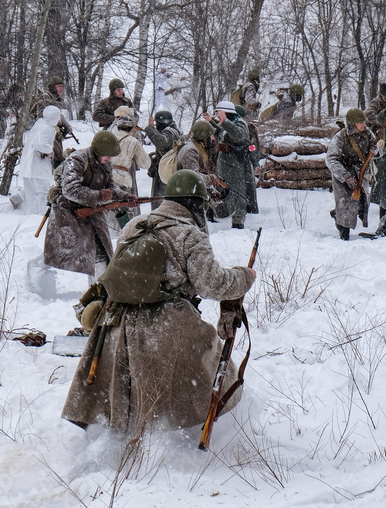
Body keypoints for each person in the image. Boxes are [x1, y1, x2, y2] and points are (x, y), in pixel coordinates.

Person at [61, 169, 256, 432]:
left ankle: (116, 429)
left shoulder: (134, 225)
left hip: (118, 323)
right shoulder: (190, 235)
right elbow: (213, 284)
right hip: (168, 325)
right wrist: (244, 276)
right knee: (207, 369)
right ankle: (177, 435)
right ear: (195, 202)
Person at [43, 130, 128, 280]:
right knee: (64, 254)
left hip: (93, 215)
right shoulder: (77, 159)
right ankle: (41, 280)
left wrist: (123, 196)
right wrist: (98, 196)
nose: (109, 159)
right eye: (106, 155)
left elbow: (110, 186)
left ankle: (97, 293)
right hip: (69, 215)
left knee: (100, 256)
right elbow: (70, 190)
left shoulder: (105, 163)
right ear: (98, 151)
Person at [205, 101, 258, 229]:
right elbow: (221, 132)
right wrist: (212, 121)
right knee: (223, 190)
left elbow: (239, 135)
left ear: (227, 113)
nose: (218, 115)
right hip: (225, 165)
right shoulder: (228, 124)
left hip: (235, 166)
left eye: (220, 113)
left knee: (237, 192)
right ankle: (221, 214)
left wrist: (225, 122)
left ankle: (238, 221)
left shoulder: (240, 124)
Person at [326, 108, 375, 240]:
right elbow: (331, 159)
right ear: (352, 123)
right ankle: (344, 234)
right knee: (345, 203)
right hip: (343, 172)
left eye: (364, 122)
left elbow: (378, 148)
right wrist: (346, 177)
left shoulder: (367, 133)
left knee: (361, 202)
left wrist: (375, 150)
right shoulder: (340, 137)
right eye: (360, 123)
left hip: (360, 171)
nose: (363, 125)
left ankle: (338, 214)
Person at [15, 105, 63, 210]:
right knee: (43, 191)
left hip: (30, 163)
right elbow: (40, 144)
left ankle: (31, 214)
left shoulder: (40, 123)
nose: (60, 120)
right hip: (37, 165)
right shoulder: (47, 128)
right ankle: (40, 216)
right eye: (59, 117)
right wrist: (50, 151)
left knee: (31, 193)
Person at [110, 106, 150, 226]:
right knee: (124, 213)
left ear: (118, 126)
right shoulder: (133, 141)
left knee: (109, 209)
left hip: (106, 178)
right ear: (132, 128)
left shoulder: (108, 137)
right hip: (122, 179)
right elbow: (146, 163)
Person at [144, 110, 182, 206]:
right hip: (170, 170)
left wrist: (150, 129)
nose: (156, 125)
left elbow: (162, 143)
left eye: (157, 123)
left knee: (161, 201)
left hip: (166, 171)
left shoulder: (169, 131)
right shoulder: (175, 131)